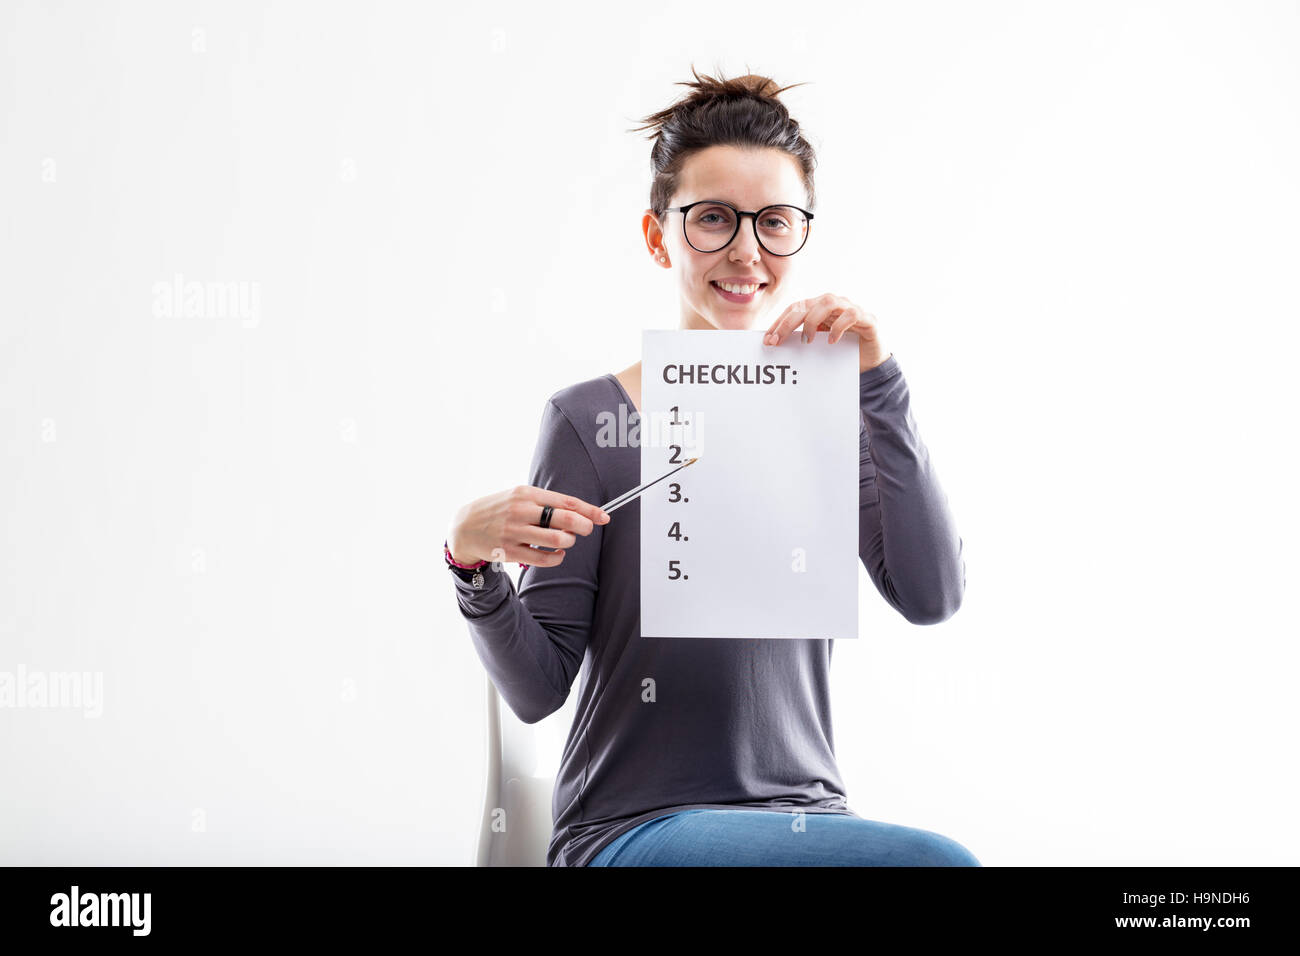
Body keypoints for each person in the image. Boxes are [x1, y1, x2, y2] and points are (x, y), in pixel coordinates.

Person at [446, 66, 977, 867]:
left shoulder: (834, 415)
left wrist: (883, 386)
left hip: (811, 820)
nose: (746, 250)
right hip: (630, 830)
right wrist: (470, 560)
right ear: (659, 235)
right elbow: (537, 689)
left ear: (802, 233)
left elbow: (933, 596)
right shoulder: (593, 421)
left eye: (774, 222)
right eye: (714, 219)